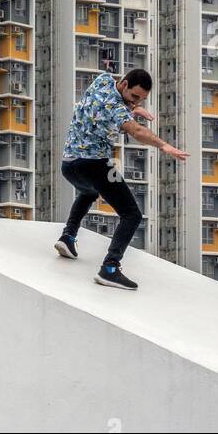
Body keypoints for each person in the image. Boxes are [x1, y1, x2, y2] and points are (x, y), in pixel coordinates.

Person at [54, 67, 188, 289]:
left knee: (89, 192)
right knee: (132, 214)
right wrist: (164, 145)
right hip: (94, 164)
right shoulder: (118, 110)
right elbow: (136, 131)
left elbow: (102, 108)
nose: (136, 101)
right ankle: (110, 268)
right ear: (124, 84)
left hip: (69, 163)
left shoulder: (102, 80)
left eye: (142, 99)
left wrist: (133, 108)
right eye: (135, 96)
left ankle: (68, 236)